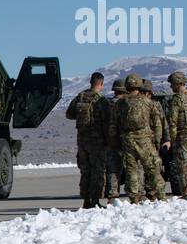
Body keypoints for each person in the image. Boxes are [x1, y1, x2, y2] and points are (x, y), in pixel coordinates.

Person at [109, 75, 163, 203]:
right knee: (153, 168)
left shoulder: (120, 103)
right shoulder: (148, 102)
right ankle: (160, 195)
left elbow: (113, 125)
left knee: (131, 170)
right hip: (145, 139)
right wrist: (156, 141)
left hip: (128, 140)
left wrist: (114, 142)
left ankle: (134, 198)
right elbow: (157, 124)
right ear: (139, 86)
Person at [65, 71, 110, 208]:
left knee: (85, 171)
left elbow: (69, 114)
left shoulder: (81, 96)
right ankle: (95, 201)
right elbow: (107, 121)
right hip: (97, 142)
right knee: (98, 171)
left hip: (82, 140)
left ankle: (86, 200)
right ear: (101, 84)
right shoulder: (101, 100)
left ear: (90, 82)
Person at [104, 77, 126, 204]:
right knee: (134, 168)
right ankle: (137, 195)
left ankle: (112, 196)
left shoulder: (106, 104)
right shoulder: (126, 104)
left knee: (113, 169)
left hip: (110, 141)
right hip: (126, 140)